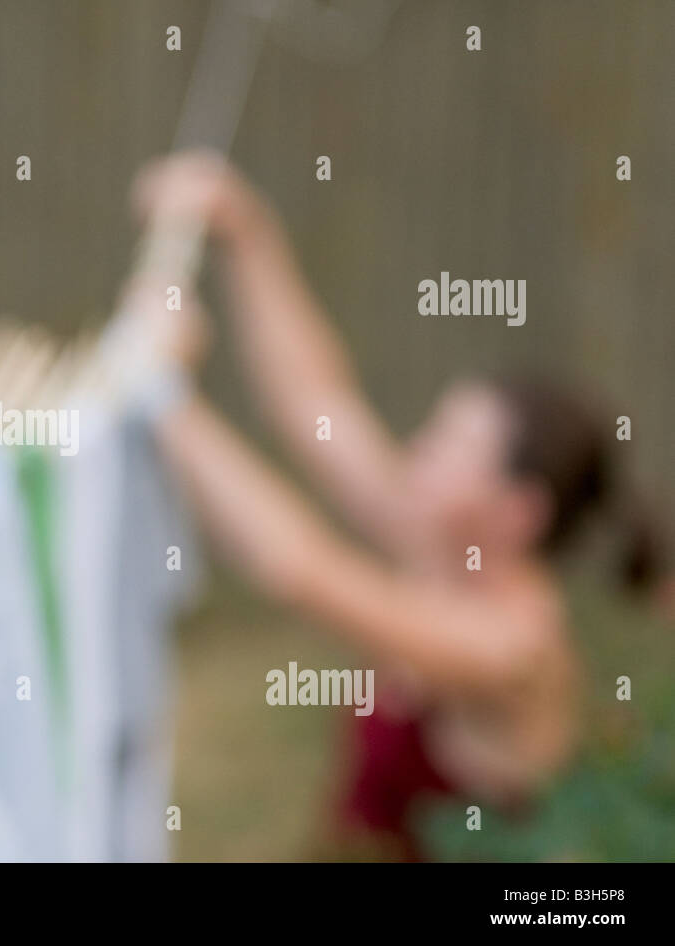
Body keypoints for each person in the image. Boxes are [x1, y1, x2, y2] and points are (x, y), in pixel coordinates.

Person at [127, 151, 665, 860]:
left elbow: (299, 569)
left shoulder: (514, 646)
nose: (419, 449)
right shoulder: (439, 547)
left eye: (450, 446)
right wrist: (245, 229)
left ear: (515, 512)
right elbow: (315, 405)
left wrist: (165, 397)